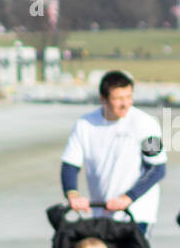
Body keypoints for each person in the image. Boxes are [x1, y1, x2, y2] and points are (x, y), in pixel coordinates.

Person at [61, 70, 166, 237]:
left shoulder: (147, 125)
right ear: (103, 99)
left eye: (128, 97)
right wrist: (72, 194)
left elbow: (157, 168)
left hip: (137, 213)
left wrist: (128, 198)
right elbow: (70, 164)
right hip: (102, 212)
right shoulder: (85, 125)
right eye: (118, 99)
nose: (125, 104)